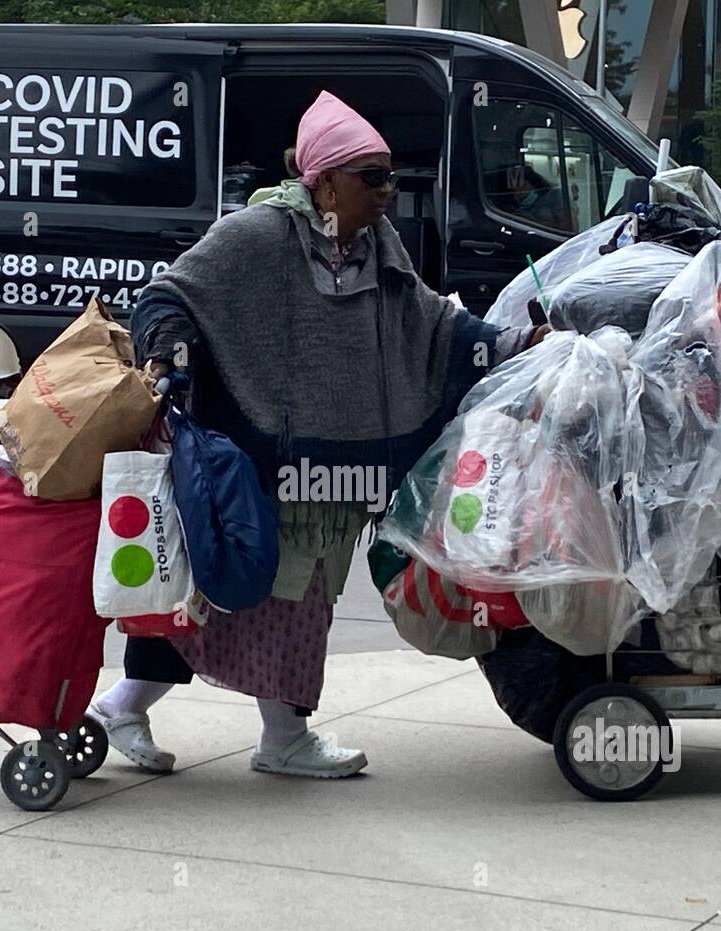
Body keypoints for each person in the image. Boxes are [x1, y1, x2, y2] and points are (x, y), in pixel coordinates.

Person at [88, 91, 549, 778]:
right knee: (256, 600)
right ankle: (272, 737)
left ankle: (132, 708)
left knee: (270, 603)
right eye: (374, 177)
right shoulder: (259, 237)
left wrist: (518, 343)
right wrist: (172, 354)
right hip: (261, 464)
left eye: (392, 176)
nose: (389, 192)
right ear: (325, 181)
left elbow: (432, 323)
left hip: (339, 470)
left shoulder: (374, 245)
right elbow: (169, 296)